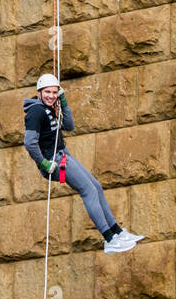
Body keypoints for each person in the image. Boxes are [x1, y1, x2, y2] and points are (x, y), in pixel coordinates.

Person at [23, 73, 146, 254]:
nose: (51, 96)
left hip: (63, 155)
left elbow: (70, 126)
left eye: (55, 92)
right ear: (39, 92)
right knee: (87, 190)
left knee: (96, 186)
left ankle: (117, 232)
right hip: (54, 161)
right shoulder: (36, 111)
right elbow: (29, 142)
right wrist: (43, 163)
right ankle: (109, 239)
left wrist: (63, 102)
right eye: (47, 92)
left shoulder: (51, 107)